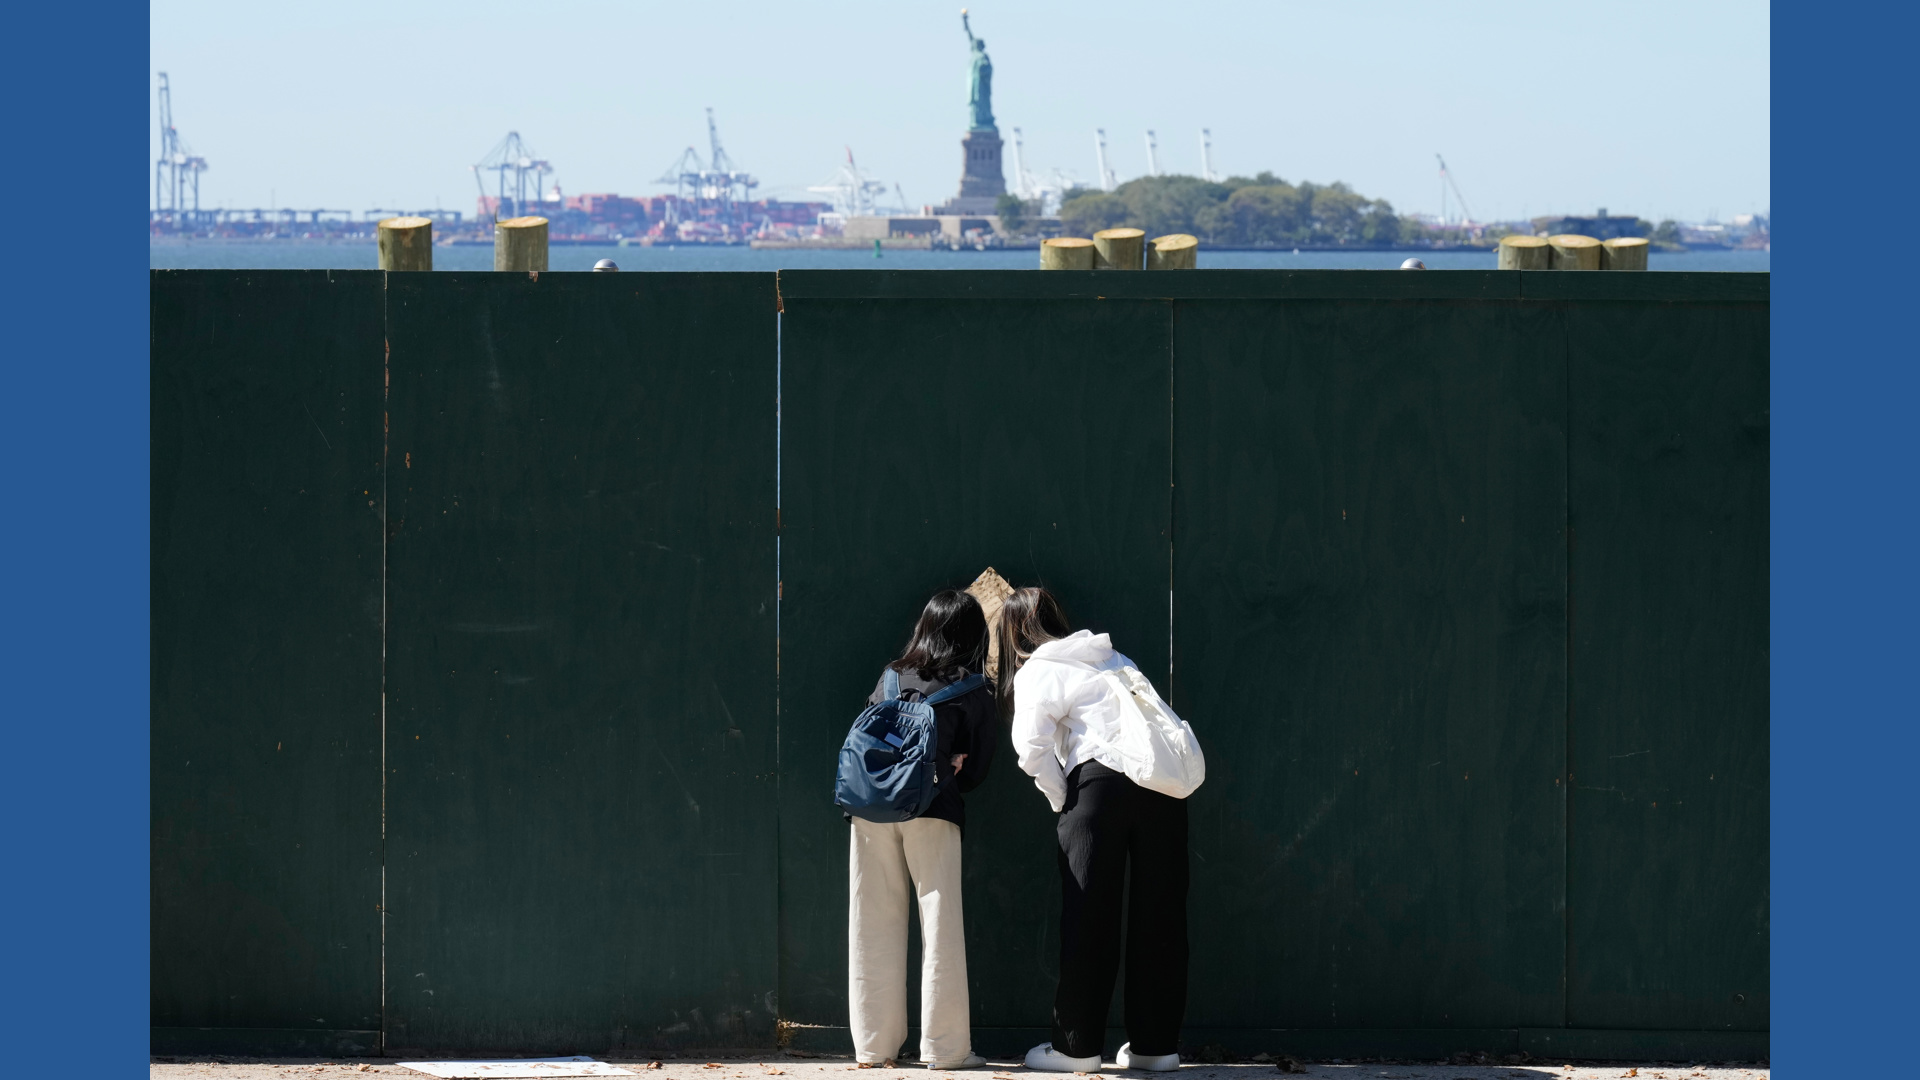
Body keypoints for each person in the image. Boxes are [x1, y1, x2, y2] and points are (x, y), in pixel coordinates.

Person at [1000, 588, 1187, 1073]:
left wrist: (1063, 798)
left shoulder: (1039, 666)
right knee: (1161, 916)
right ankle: (1155, 1048)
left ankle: (1077, 1049)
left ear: (1014, 631)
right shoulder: (1111, 657)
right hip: (1163, 788)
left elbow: (1030, 747)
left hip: (1099, 783)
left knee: (1090, 915)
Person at [847, 590, 998, 1069]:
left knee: (871, 925)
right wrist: (951, 767)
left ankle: (873, 1047)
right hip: (933, 808)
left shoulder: (890, 676)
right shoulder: (972, 689)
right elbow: (976, 774)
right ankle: (946, 1050)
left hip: (870, 811)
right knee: (940, 926)